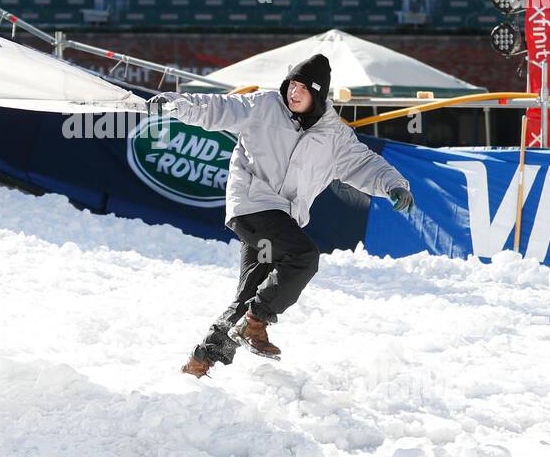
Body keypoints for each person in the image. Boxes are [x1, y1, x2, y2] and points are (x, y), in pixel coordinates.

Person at [148, 54, 414, 378]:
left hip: (280, 219)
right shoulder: (263, 106)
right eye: (292, 85)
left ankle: (200, 362)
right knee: (303, 257)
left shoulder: (335, 137)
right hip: (253, 203)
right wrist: (177, 104)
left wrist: (394, 186)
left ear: (317, 95)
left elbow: (366, 164)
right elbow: (218, 107)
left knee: (250, 293)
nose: (293, 93)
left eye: (302, 88)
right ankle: (256, 322)